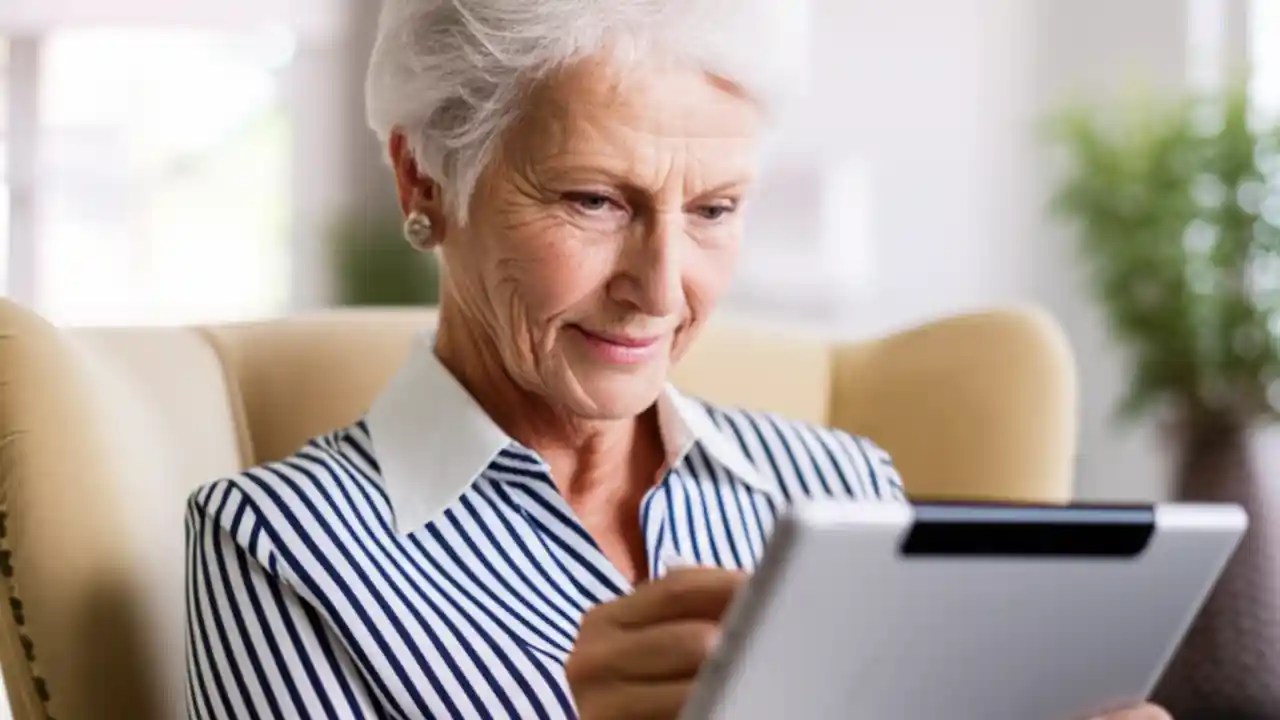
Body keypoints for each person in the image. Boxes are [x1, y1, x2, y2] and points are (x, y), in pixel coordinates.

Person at [184, 1, 1171, 718]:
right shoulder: (275, 547)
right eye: (592, 201)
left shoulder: (837, 483)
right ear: (424, 179)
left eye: (712, 210)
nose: (660, 289)